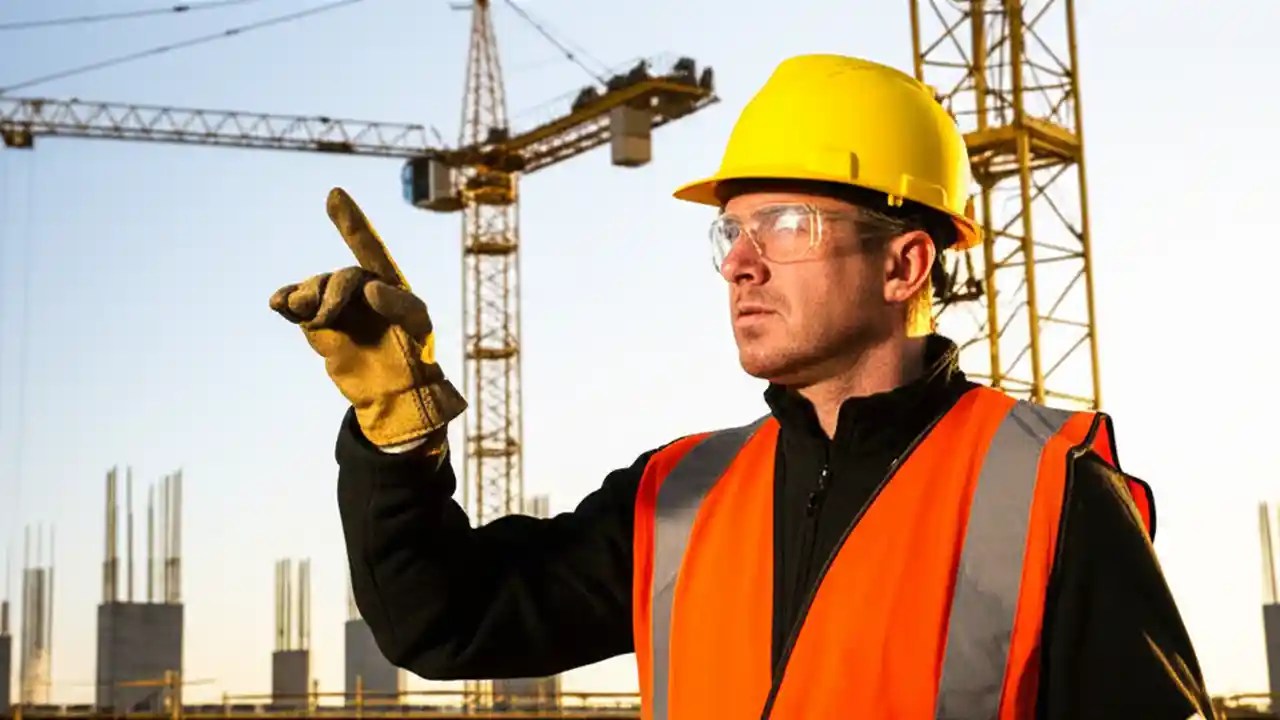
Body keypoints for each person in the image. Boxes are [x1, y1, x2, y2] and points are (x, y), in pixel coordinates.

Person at [270, 54, 1214, 719]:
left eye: (788, 224)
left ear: (906, 264)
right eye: (732, 232)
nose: (740, 265)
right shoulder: (680, 493)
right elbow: (442, 622)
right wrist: (397, 436)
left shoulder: (1049, 489)